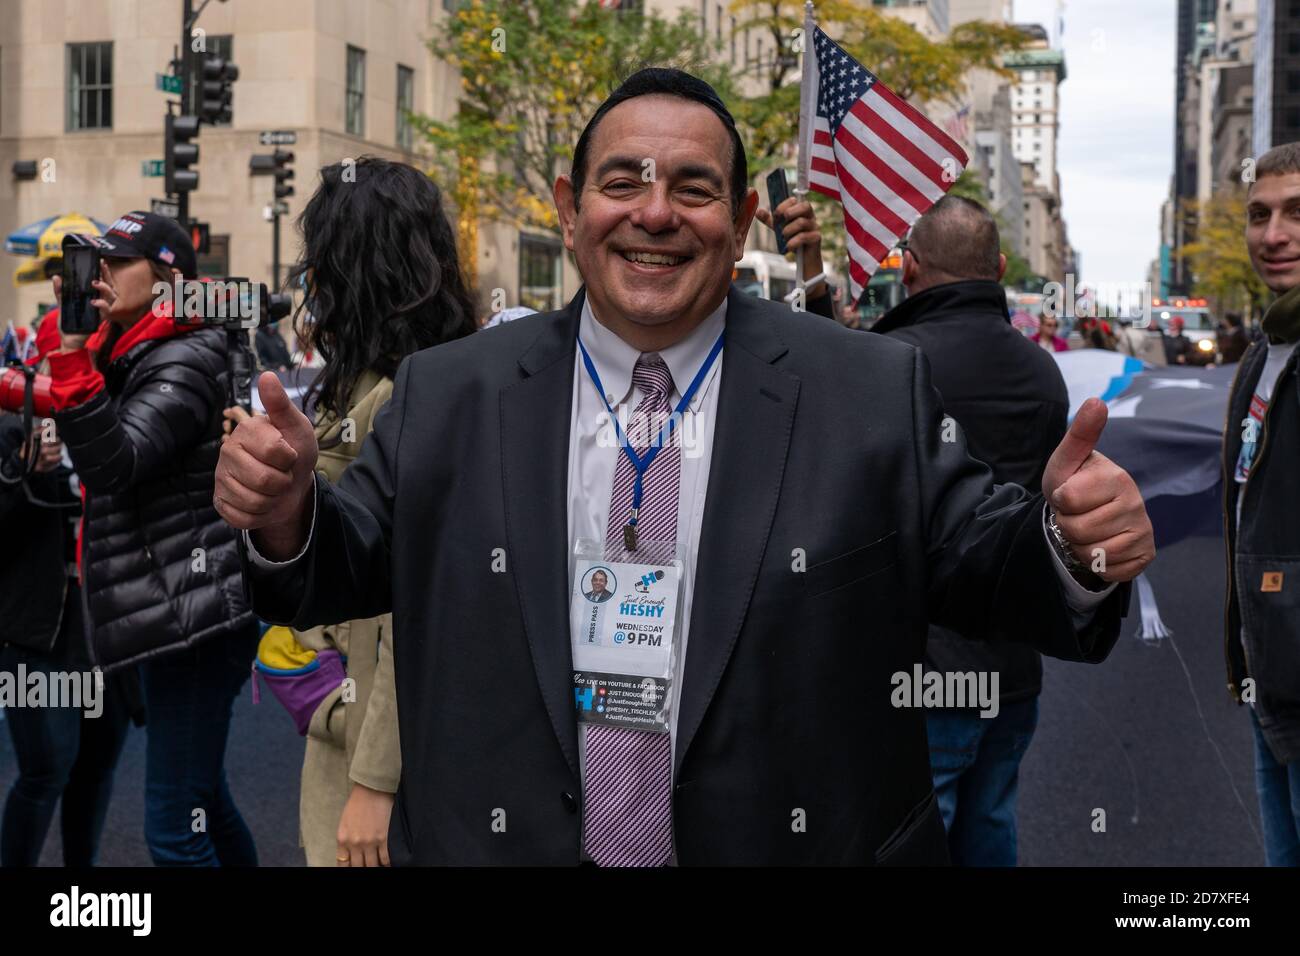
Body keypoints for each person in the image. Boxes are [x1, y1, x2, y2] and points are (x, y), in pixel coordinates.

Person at [216, 68, 1153, 866]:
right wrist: (289, 512)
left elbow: (988, 569)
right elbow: (343, 563)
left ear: (742, 220)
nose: (654, 213)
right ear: (567, 206)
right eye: (622, 181)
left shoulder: (867, 387)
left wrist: (1073, 546)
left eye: (694, 188)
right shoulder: (452, 391)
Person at [228, 158, 477, 867]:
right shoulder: (382, 383)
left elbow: (415, 606)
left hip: (378, 750)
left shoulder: (406, 397)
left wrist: (375, 780)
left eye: (322, 255)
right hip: (350, 719)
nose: (312, 279)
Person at [45, 211, 260, 866]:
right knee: (203, 797)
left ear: (168, 278)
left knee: (173, 831)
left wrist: (72, 361)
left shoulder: (183, 355)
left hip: (195, 622)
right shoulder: (137, 346)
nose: (97, 276)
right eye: (94, 264)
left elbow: (117, 465)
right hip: (184, 608)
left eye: (115, 263)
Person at [868, 196, 1069, 865]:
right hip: (1015, 659)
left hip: (923, 664)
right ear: (1002, 269)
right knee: (990, 827)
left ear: (910, 268)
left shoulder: (889, 365)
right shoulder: (1042, 371)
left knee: (918, 838)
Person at [0, 313, 136, 866]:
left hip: (108, 620)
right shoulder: (12, 422)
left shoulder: (119, 417)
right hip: (39, 631)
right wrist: (22, 470)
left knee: (96, 766)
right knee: (46, 769)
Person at [1221, 141, 1300, 867]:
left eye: (1295, 213)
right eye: (1258, 214)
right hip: (1268, 674)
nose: (1272, 234)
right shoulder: (1262, 353)